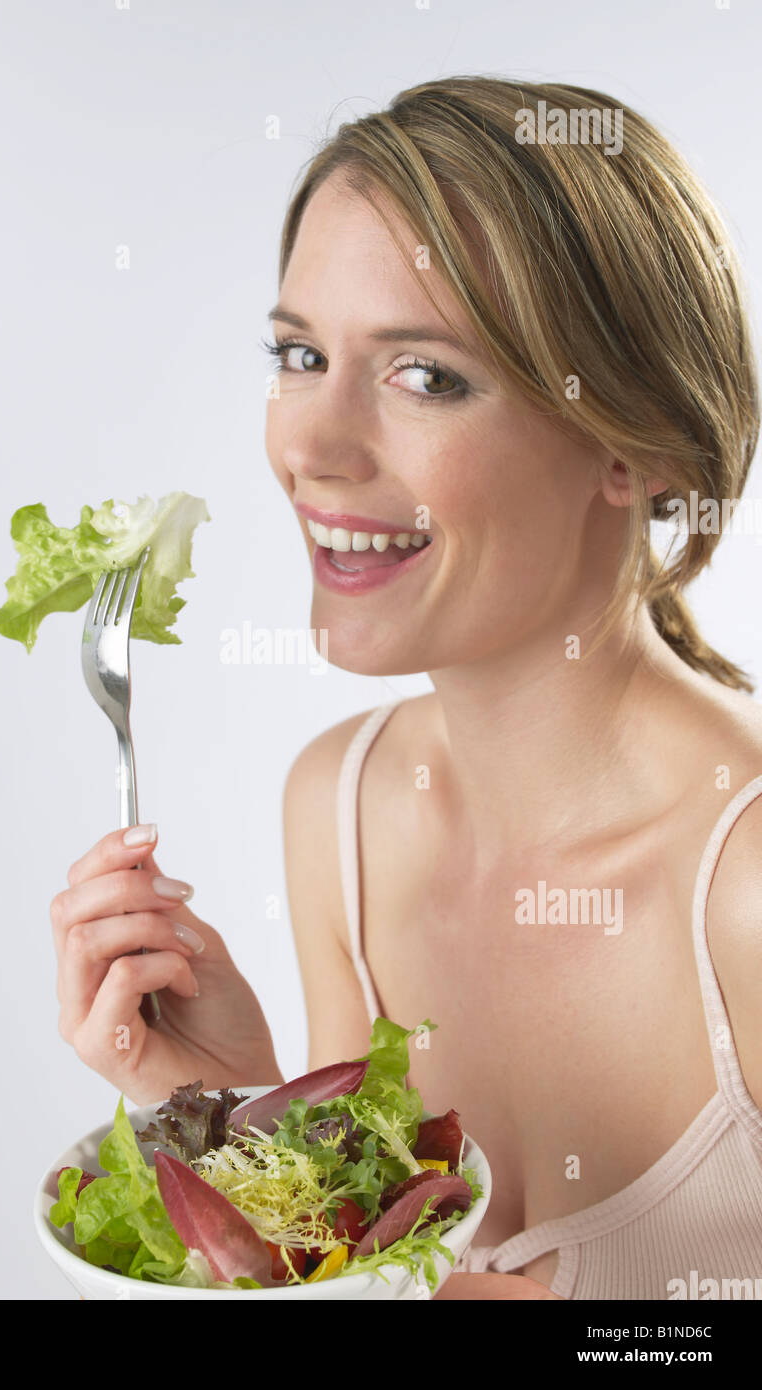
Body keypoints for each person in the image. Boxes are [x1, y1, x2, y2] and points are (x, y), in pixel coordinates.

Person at [50, 78, 762, 1300]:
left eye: (425, 376)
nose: (310, 446)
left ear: (633, 446)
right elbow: (377, 1283)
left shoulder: (742, 890)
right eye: (299, 354)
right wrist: (227, 1118)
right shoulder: (345, 809)